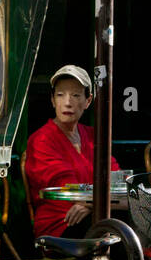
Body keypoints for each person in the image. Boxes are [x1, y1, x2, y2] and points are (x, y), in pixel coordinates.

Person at [24, 64, 121, 239]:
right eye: (60, 95)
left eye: (76, 95)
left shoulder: (93, 137)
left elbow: (117, 184)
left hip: (95, 216)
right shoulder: (42, 140)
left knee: (128, 220)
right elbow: (66, 191)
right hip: (61, 226)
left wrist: (89, 205)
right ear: (53, 100)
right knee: (114, 227)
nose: (67, 102)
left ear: (88, 101)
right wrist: (93, 203)